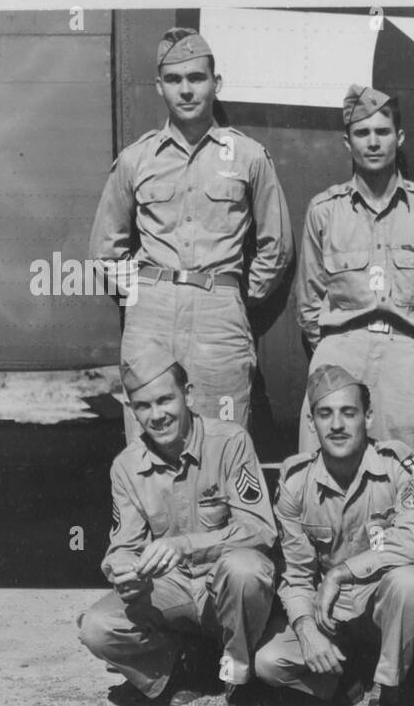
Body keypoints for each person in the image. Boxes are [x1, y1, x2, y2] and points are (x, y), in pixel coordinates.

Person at [90, 27, 294, 441]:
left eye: (197, 79)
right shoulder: (136, 159)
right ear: (159, 86)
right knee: (150, 440)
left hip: (219, 313)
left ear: (215, 84)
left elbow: (277, 246)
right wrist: (145, 293)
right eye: (174, 80)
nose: (186, 90)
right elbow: (105, 249)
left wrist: (232, 293)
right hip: (151, 312)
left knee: (222, 438)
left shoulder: (248, 156)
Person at [77, 346, 276, 706]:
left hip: (222, 584)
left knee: (245, 569)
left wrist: (185, 544)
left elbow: (260, 529)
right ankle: (181, 665)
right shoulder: (127, 467)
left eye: (166, 399)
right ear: (133, 410)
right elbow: (123, 546)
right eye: (143, 406)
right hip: (175, 589)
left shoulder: (230, 442)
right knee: (97, 627)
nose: (157, 415)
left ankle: (240, 684)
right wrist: (122, 571)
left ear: (188, 393)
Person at [255, 365, 414, 706]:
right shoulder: (297, 482)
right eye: (325, 414)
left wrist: (343, 571)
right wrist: (305, 629)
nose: (337, 425)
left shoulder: (395, 465)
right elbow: (298, 575)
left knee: (409, 581)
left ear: (367, 417)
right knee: (270, 663)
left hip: (383, 604)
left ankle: (387, 697)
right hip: (331, 614)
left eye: (348, 413)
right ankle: (344, 680)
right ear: (312, 421)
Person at [295, 85, 414, 462]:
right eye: (362, 133)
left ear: (398, 139)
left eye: (382, 132)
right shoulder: (325, 210)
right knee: (323, 467)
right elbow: (309, 299)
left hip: (405, 353)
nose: (373, 142)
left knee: (400, 468)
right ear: (347, 142)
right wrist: (337, 345)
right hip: (339, 349)